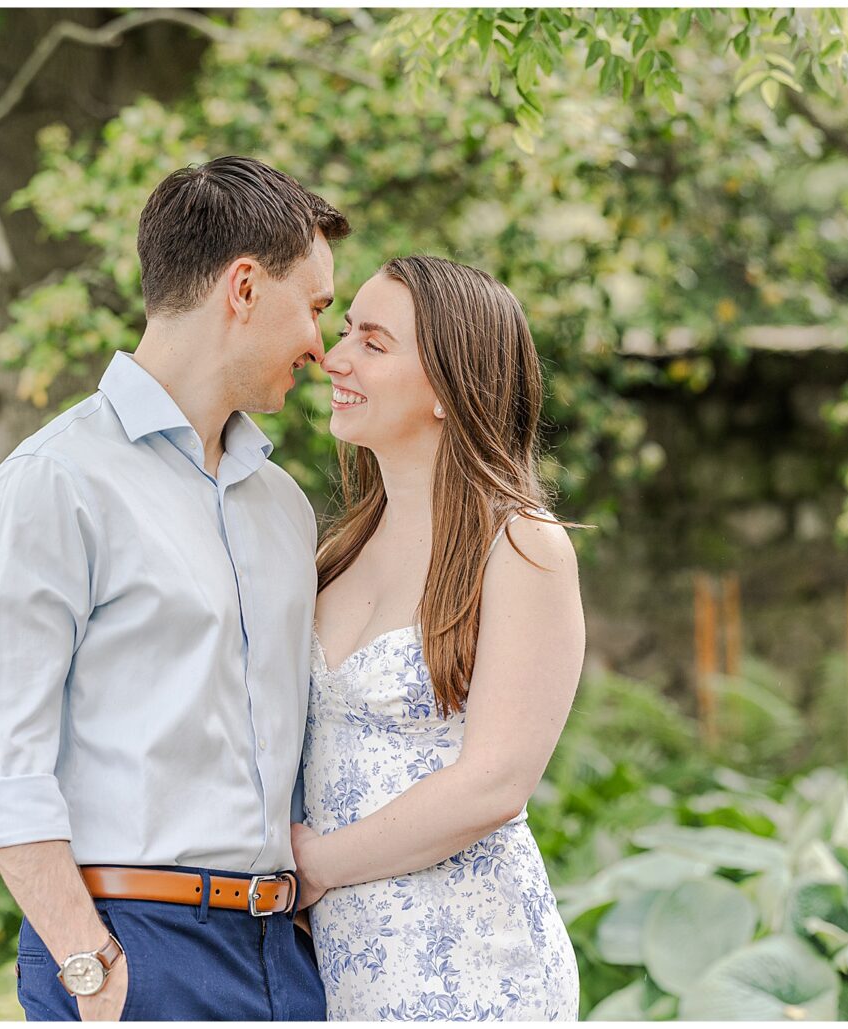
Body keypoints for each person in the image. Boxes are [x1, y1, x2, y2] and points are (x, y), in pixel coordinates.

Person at [0, 156, 348, 1021]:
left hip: (288, 952)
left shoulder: (284, 507)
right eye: (316, 307)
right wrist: (92, 971)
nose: (323, 344)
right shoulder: (51, 485)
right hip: (134, 950)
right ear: (244, 286)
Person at [292, 255, 584, 1020]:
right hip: (345, 969)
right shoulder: (335, 551)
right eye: (347, 328)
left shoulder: (522, 547)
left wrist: (316, 862)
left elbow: (494, 784)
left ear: (453, 391)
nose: (336, 355)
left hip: (474, 965)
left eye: (374, 343)